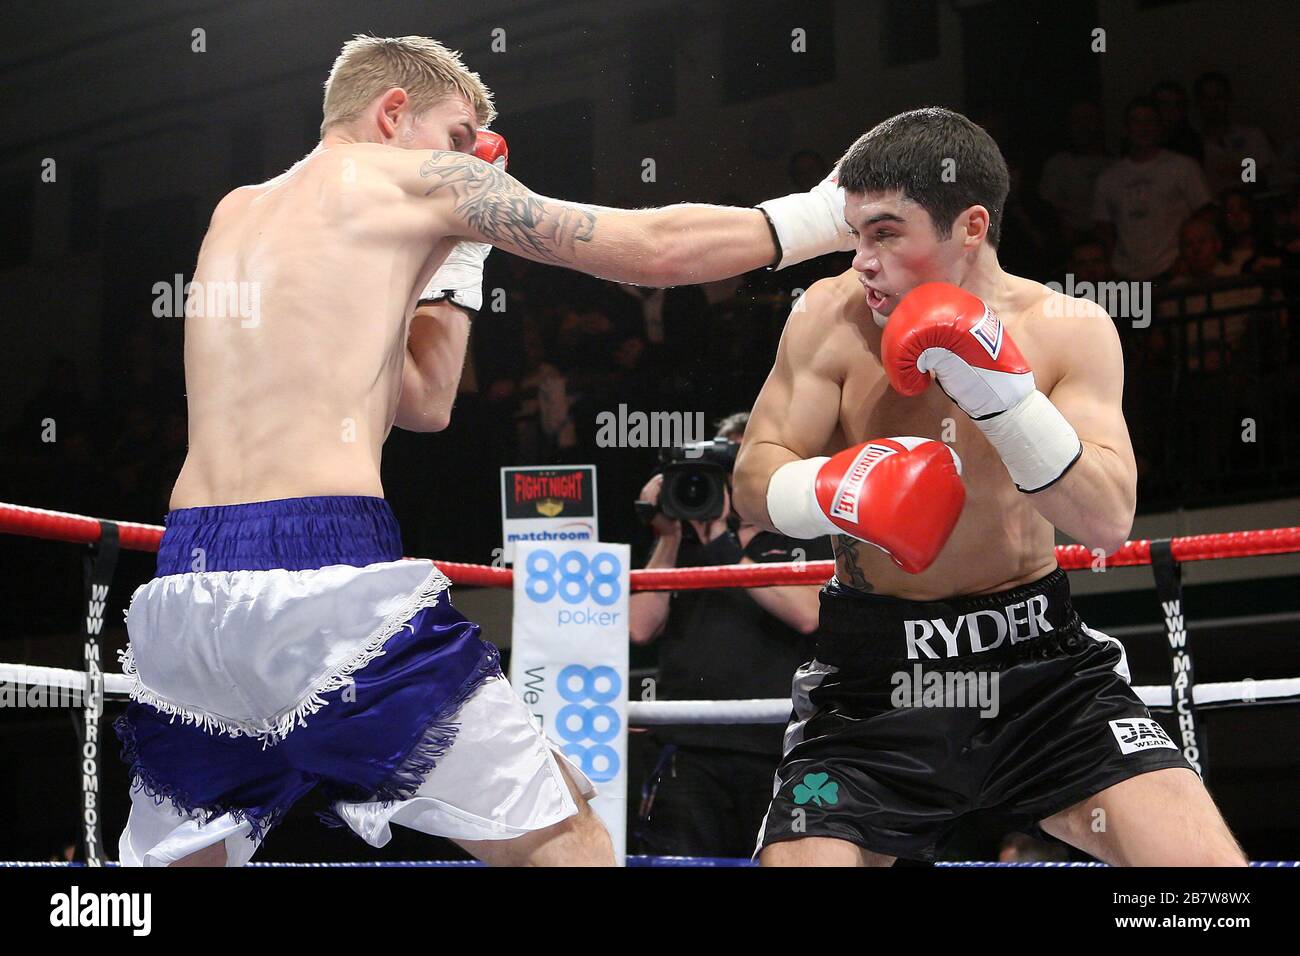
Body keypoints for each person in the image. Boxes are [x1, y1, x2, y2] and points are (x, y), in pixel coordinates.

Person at [113, 33, 856, 867]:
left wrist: (461, 253)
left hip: (185, 583)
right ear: (393, 112)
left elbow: (425, 402)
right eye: (461, 135)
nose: (474, 158)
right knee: (563, 831)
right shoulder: (412, 175)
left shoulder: (236, 211)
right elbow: (653, 251)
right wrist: (829, 214)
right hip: (322, 571)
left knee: (191, 856)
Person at [733, 107, 1247, 866]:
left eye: (885, 233)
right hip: (873, 686)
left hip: (1042, 673)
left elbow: (1106, 520)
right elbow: (751, 482)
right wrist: (833, 487)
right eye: (853, 234)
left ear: (970, 226)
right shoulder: (826, 317)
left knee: (1207, 895)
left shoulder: (1067, 326)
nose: (861, 260)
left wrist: (1002, 397)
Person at [628, 413, 831, 857]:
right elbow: (638, 626)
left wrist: (721, 541)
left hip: (776, 745)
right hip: (688, 744)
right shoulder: (684, 544)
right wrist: (670, 533)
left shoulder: (806, 533)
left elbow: (808, 615)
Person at [1093, 96, 1213, 281]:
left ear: (1159, 127)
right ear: (1126, 128)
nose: (1143, 128)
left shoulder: (1183, 166)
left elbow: (1205, 216)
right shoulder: (1108, 178)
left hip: (1173, 270)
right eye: (1136, 121)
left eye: (1149, 121)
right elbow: (1104, 230)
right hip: (1126, 274)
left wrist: (1187, 259)